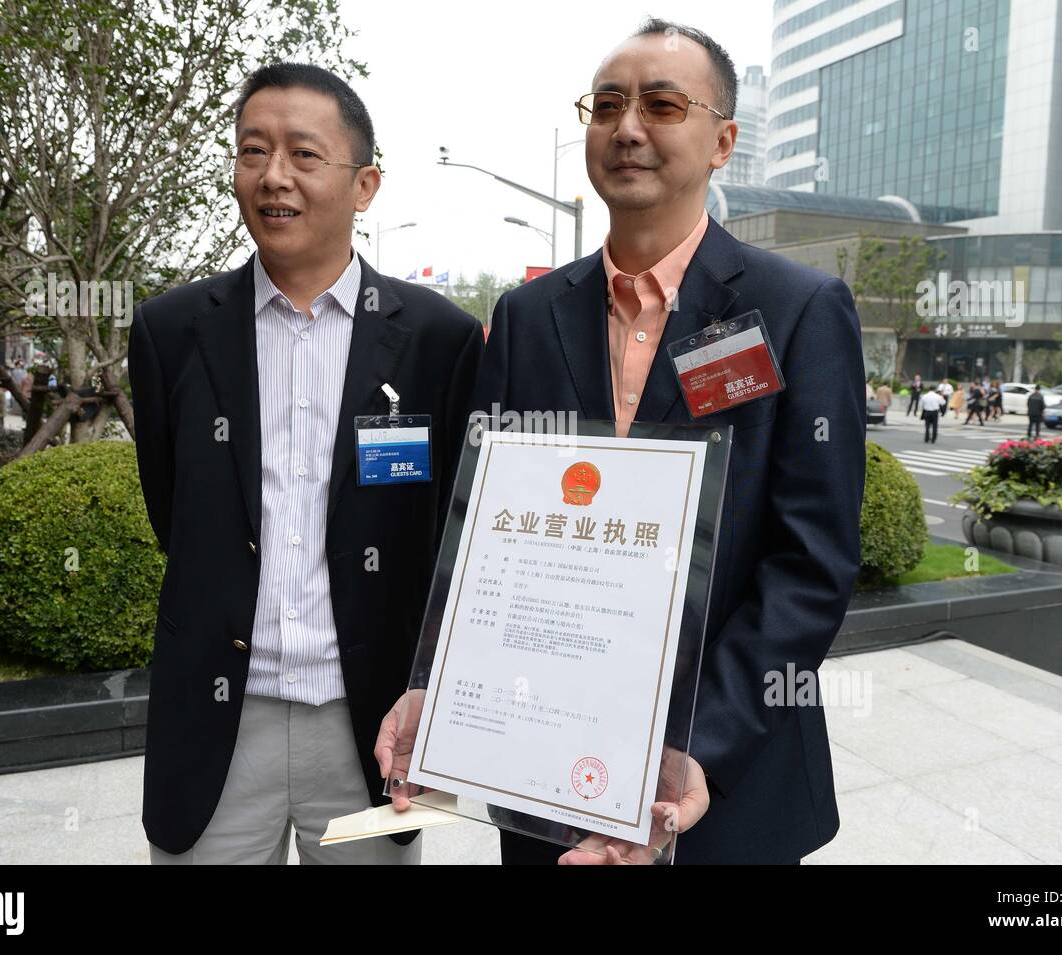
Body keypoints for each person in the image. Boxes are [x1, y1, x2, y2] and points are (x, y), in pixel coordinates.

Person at [379, 19, 865, 865]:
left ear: (723, 141)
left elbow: (811, 564)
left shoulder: (797, 309)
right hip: (546, 772)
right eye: (606, 106)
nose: (628, 127)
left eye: (661, 104)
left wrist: (697, 746)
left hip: (728, 782)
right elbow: (487, 536)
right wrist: (437, 687)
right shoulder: (529, 316)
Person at [129, 62, 484, 865]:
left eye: (303, 154)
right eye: (253, 151)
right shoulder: (172, 330)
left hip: (365, 727)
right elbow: (172, 508)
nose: (273, 176)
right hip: (219, 720)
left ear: (365, 185)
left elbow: (448, 537)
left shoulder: (438, 340)